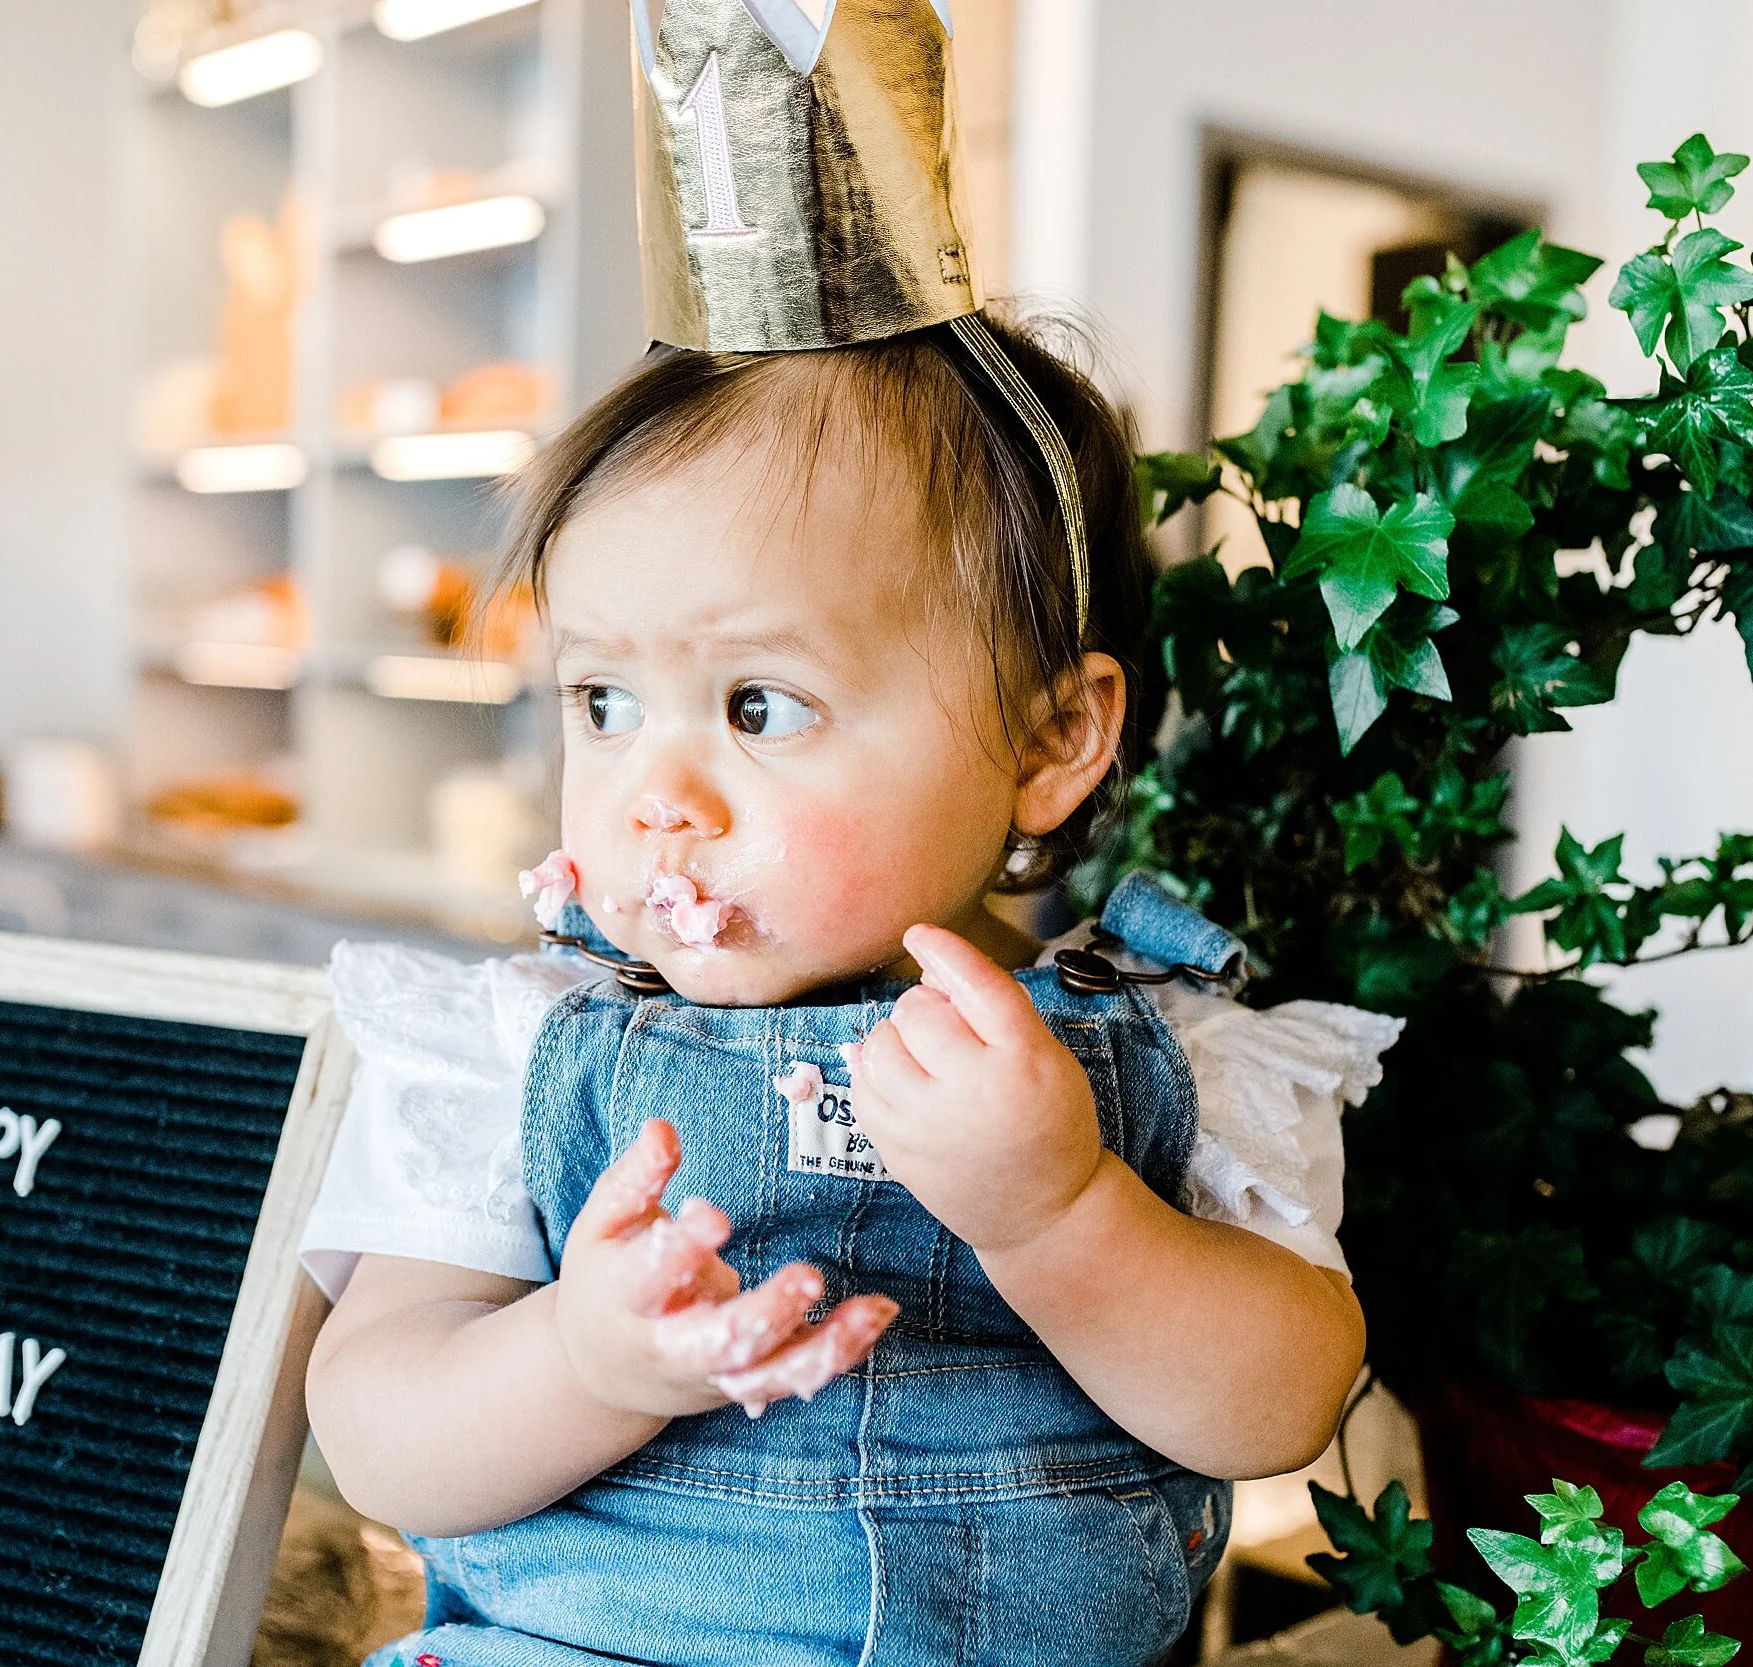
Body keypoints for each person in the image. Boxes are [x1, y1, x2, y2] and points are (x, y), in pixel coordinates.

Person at [301, 4, 1396, 1661]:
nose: (655, 796)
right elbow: (377, 1425)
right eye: (602, 705)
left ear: (1053, 740)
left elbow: (1281, 1400)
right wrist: (584, 1361)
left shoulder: (1168, 1062)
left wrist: (1063, 1213)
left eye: (760, 708)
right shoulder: (517, 1049)